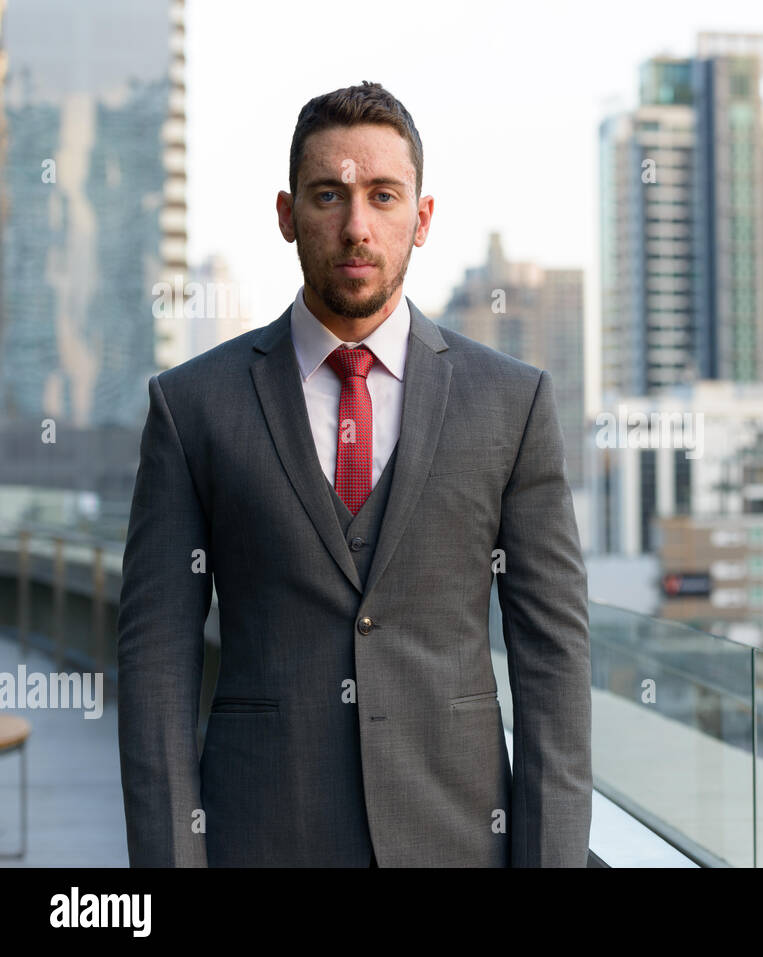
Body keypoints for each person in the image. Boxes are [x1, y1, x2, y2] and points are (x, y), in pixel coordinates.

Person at [116, 81, 591, 867]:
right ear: (286, 213)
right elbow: (156, 664)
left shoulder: (512, 403)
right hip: (259, 839)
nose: (357, 226)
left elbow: (555, 661)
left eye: (383, 195)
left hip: (460, 839)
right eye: (329, 195)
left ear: (423, 217)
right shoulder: (191, 406)